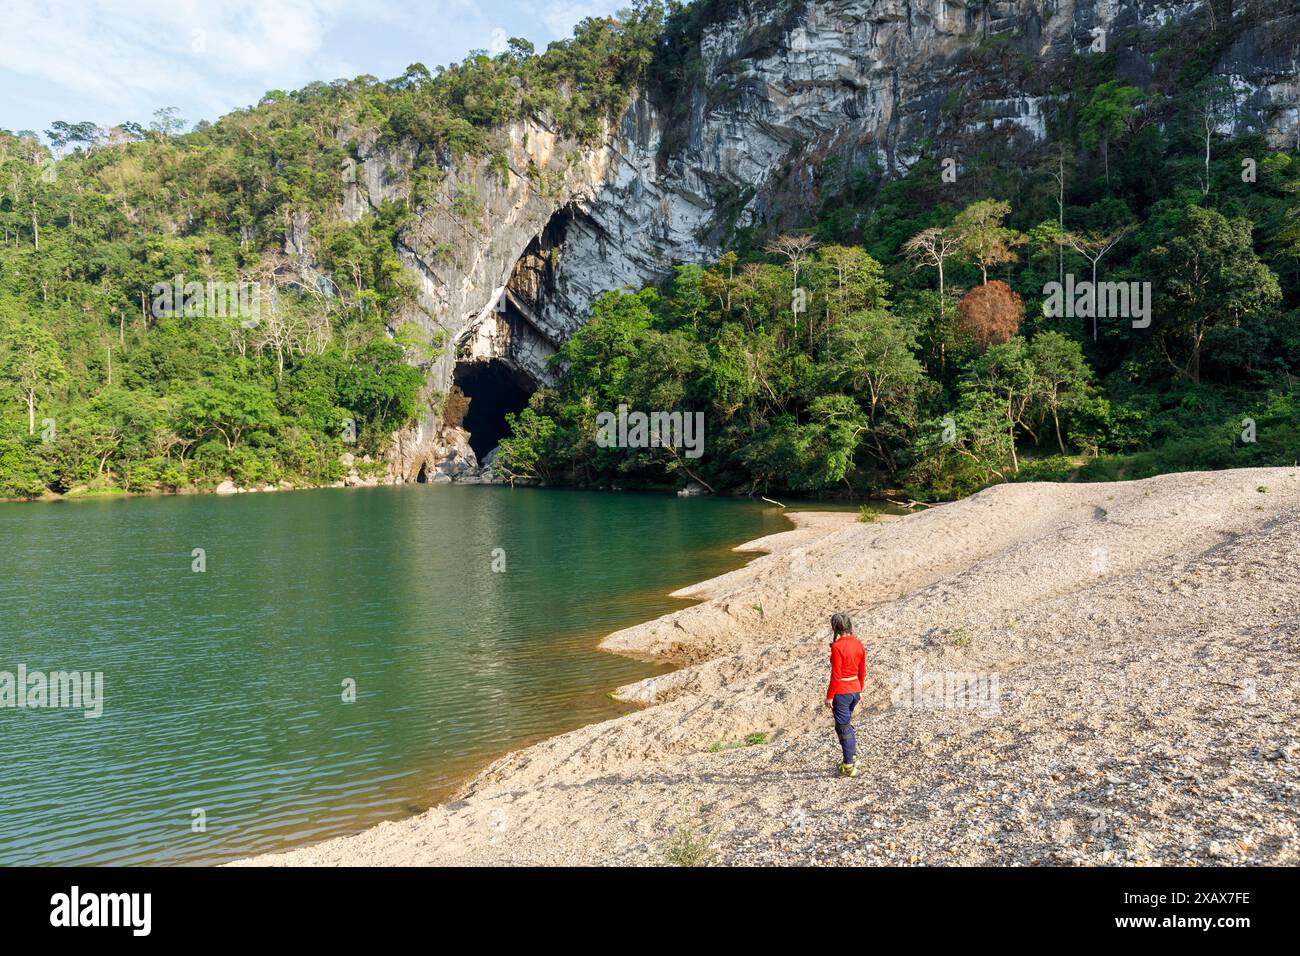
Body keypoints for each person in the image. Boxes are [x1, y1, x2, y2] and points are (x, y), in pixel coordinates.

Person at [824, 612, 865, 777]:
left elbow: (836, 675)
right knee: (845, 724)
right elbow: (862, 671)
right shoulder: (859, 644)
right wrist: (859, 690)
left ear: (835, 628)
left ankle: (849, 764)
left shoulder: (837, 647)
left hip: (842, 691)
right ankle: (852, 756)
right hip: (854, 689)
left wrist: (829, 696)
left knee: (843, 727)